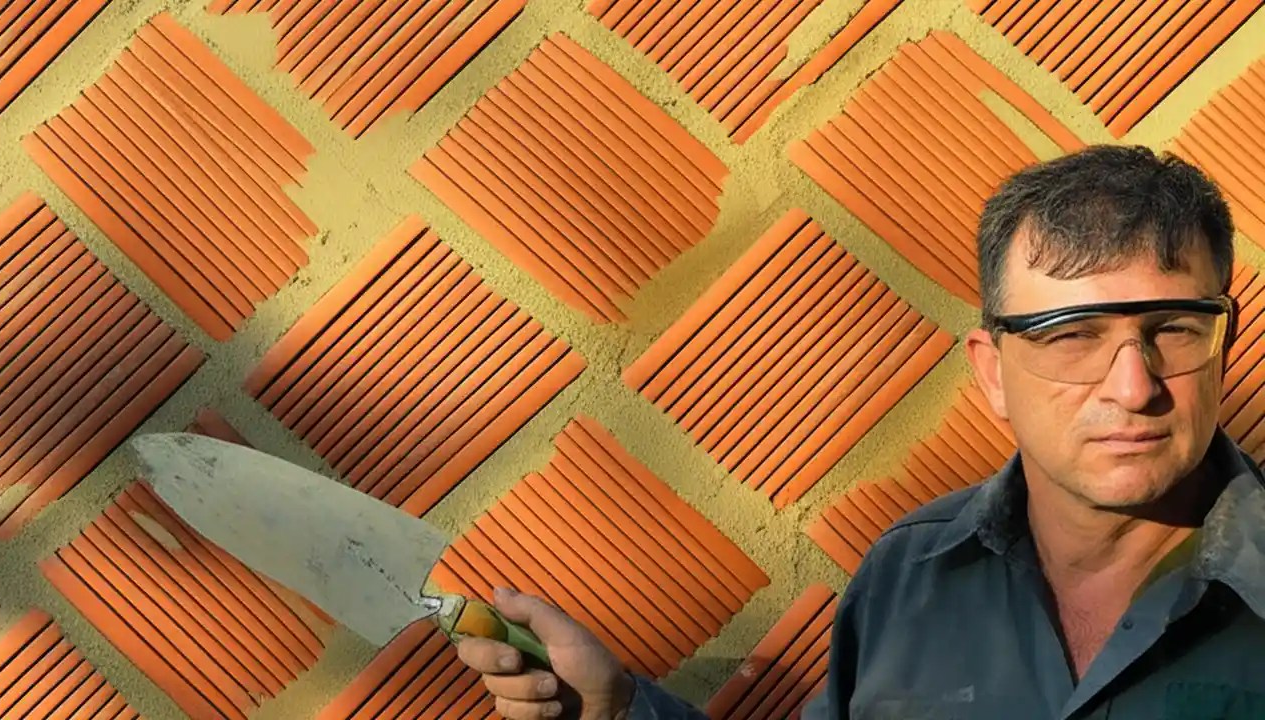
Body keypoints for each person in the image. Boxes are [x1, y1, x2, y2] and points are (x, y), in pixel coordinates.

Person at [453, 144, 1265, 719]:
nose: (1134, 387)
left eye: (1175, 329)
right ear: (991, 373)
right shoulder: (908, 574)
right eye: (1070, 335)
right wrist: (616, 709)